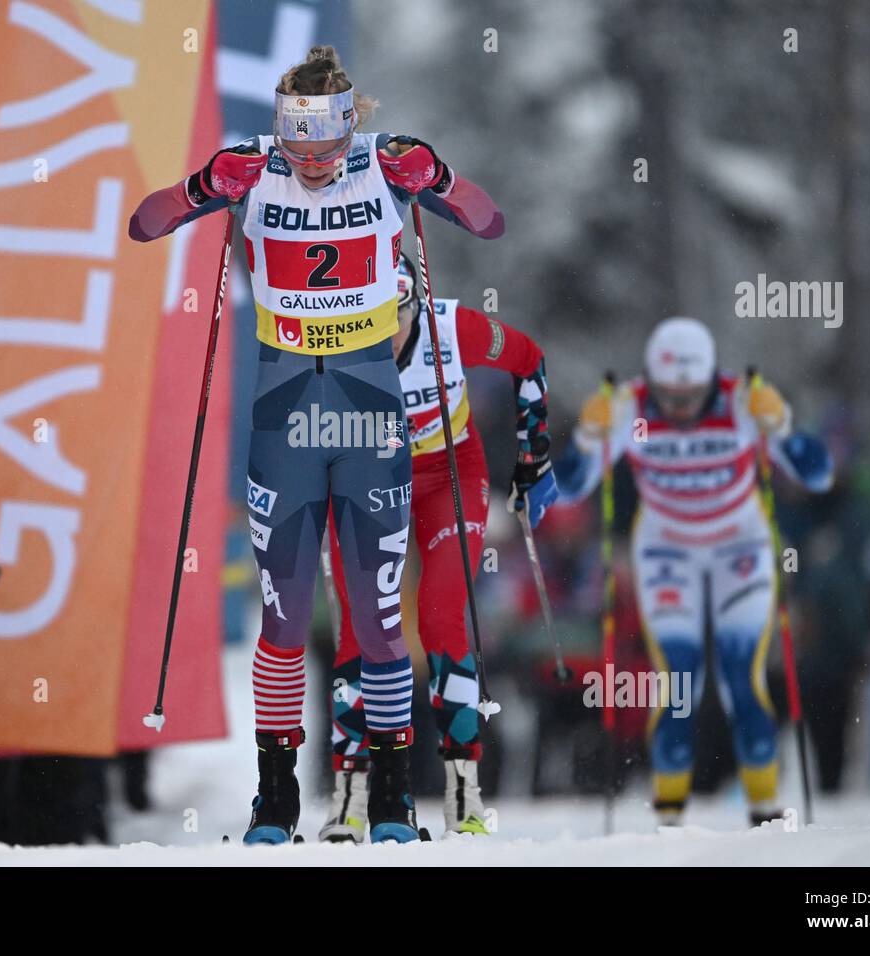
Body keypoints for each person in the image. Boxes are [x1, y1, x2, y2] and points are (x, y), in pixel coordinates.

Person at [130, 45, 503, 844]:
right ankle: (275, 805)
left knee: (376, 620)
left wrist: (436, 179)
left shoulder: (384, 164)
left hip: (371, 415)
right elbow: (145, 222)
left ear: (348, 129)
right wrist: (201, 188)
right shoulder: (250, 166)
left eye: (325, 149)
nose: (310, 165)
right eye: (295, 148)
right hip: (288, 414)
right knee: (284, 620)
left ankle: (396, 803)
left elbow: (487, 219)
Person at [552, 317, 833, 826]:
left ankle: (764, 808)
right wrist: (587, 440)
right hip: (668, 552)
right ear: (650, 382)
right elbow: (568, 490)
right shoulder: (631, 411)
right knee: (678, 679)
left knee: (741, 677)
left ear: (709, 380)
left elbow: (819, 473)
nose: (679, 410)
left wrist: (784, 426)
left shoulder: (742, 403)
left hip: (738, 547)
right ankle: (669, 816)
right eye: (669, 397)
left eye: (690, 397)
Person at [319, 254, 555, 840]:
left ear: (414, 306)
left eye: (394, 316)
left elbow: (529, 359)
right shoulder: (333, 341)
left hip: (450, 473)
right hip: (368, 478)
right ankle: (351, 797)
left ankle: (463, 795)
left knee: (443, 615)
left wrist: (533, 454)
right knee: (362, 622)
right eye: (369, 318)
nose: (384, 332)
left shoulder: (454, 326)